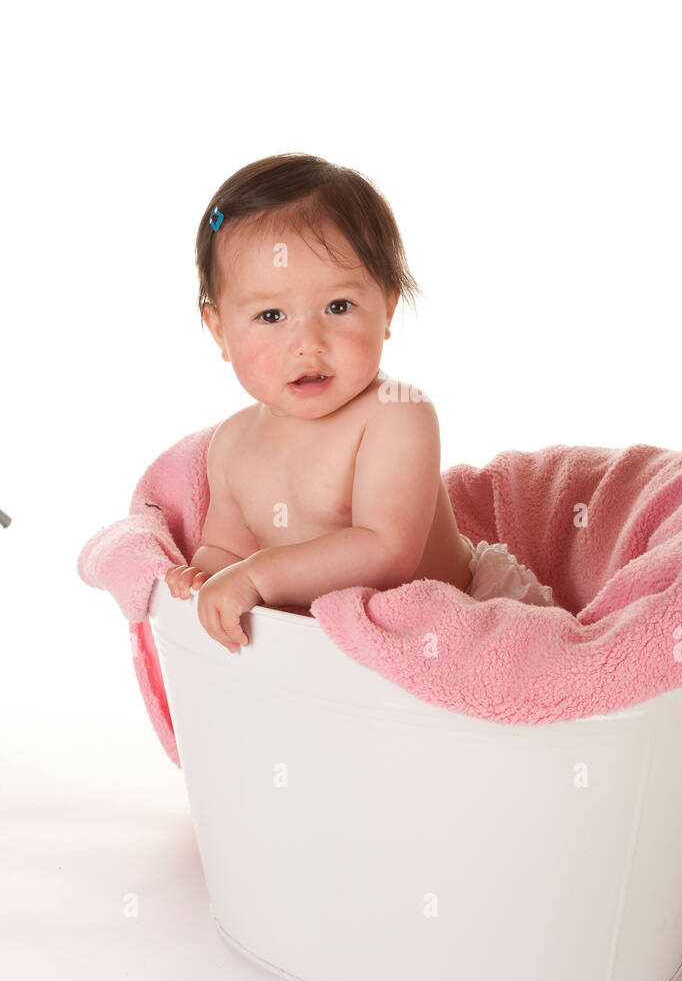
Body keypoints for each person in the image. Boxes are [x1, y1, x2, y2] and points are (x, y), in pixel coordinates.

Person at [165, 152, 555, 651]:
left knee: (520, 672)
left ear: (387, 307)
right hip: (334, 650)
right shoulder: (233, 443)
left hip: (455, 629)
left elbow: (386, 551)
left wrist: (257, 576)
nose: (308, 342)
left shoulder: (396, 414)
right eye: (270, 316)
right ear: (219, 331)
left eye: (338, 307)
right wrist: (205, 579)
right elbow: (228, 551)